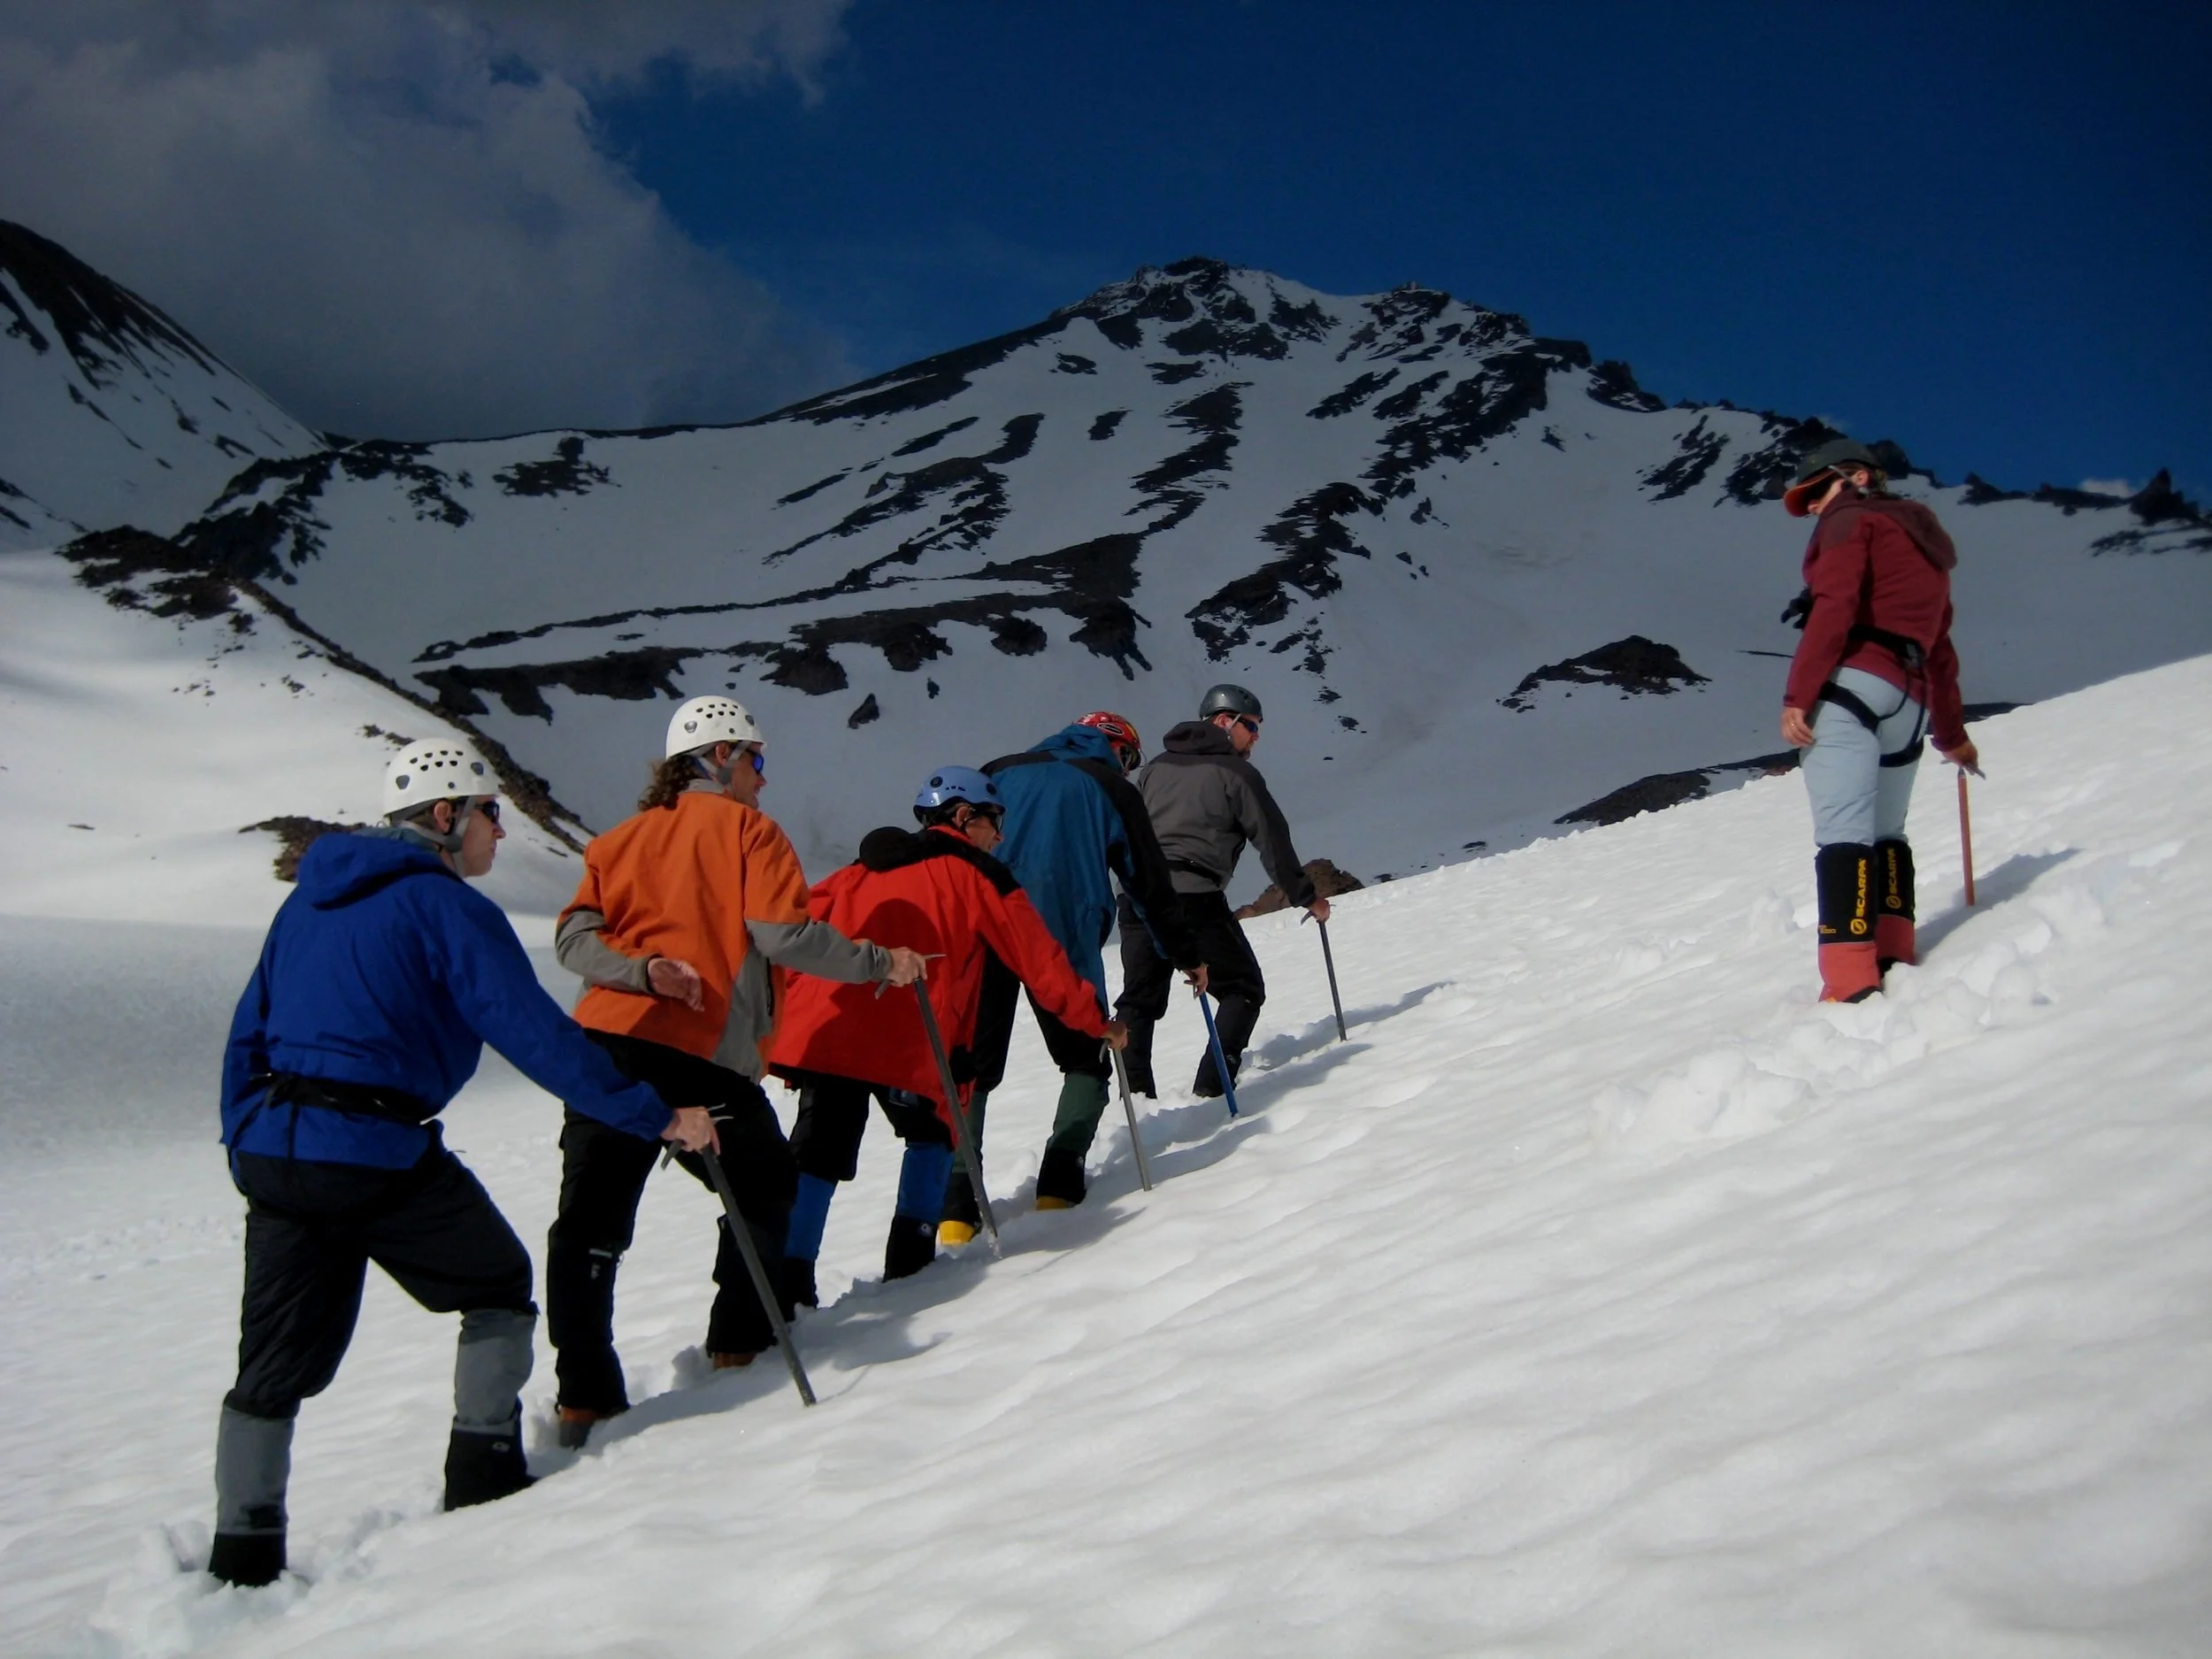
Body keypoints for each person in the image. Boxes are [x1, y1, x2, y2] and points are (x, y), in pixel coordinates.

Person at [208, 739, 710, 1589]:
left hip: (275, 1148)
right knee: (496, 1284)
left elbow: (249, 1022)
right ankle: (483, 1477)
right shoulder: (448, 909)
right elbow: (538, 1037)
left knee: (273, 1361)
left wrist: (243, 1132)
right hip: (373, 1147)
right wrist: (657, 1114)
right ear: (447, 817)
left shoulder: (308, 903)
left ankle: (242, 1553)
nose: (499, 834)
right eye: (490, 813)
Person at [546, 697, 924, 1448]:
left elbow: (572, 939)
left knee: (591, 1217)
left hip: (607, 1043)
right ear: (722, 757)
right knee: (763, 1187)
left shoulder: (617, 841)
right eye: (757, 759)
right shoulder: (750, 831)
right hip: (701, 1053)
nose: (762, 777)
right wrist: (880, 962)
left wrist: (638, 970)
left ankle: (583, 1395)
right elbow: (782, 936)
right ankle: (737, 1344)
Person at [766, 767, 1123, 1302]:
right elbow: (1041, 963)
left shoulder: (855, 873)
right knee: (931, 1139)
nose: (999, 836)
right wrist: (1097, 1024)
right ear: (964, 816)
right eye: (994, 821)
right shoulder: (978, 875)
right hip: (913, 1043)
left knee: (817, 1153)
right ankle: (911, 1272)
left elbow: (791, 938)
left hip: (829, 1035)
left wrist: (784, 1024)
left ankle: (789, 1286)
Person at [945, 711, 1207, 1226]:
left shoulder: (999, 769)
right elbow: (1148, 883)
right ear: (1118, 750)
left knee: (970, 1063)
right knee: (1086, 1055)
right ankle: (1059, 1183)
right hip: (1062, 934)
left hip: (980, 927)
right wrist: (1184, 954)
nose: (1128, 769)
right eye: (1129, 758)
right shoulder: (1109, 786)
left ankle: (957, 1199)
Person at [1778, 438, 1978, 1002]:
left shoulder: (1849, 523)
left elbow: (1836, 606)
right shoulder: (1927, 550)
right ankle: (1894, 951)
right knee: (1887, 833)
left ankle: (1849, 986)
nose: (1813, 506)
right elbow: (1940, 649)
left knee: (1843, 835)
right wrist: (1953, 735)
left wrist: (1799, 695)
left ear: (1858, 477)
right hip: (1909, 702)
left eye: (1817, 490)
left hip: (1853, 687)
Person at [1118, 685, 1329, 1099]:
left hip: (1138, 893)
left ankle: (1135, 1104)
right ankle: (1212, 1090)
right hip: (1193, 896)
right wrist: (1307, 896)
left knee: (1140, 999)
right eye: (1250, 726)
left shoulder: (1156, 768)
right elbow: (1273, 841)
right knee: (1242, 989)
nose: (1256, 736)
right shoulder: (1237, 774)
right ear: (1223, 721)